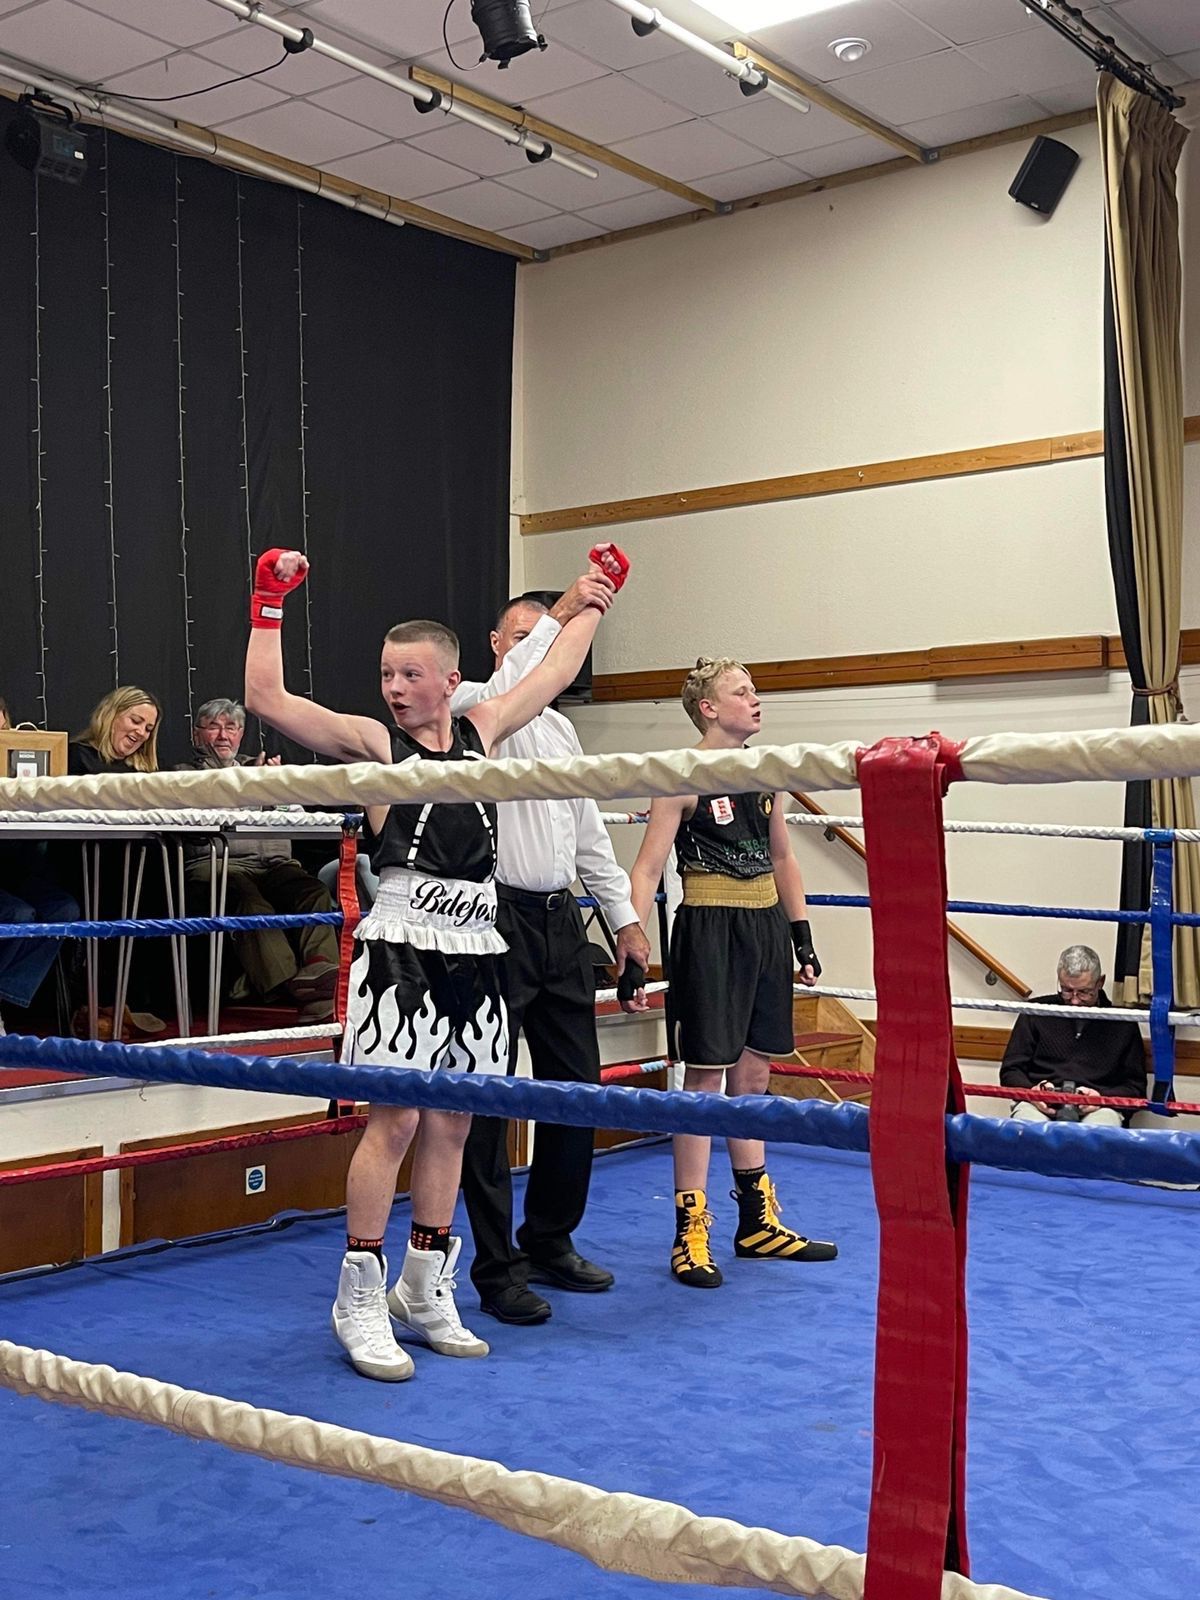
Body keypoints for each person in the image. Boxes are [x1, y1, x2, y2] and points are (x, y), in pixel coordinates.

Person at [244, 546, 621, 1381]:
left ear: (450, 681)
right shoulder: (378, 747)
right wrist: (267, 602)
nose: (393, 687)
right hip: (404, 950)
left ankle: (427, 1284)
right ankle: (359, 1293)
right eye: (385, 672)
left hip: (480, 947)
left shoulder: (485, 734)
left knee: (455, 1121)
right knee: (398, 1121)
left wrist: (595, 599)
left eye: (409, 674)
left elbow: (552, 672)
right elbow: (266, 699)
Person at [452, 584, 652, 1326]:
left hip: (559, 922)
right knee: (487, 1101)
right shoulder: (477, 702)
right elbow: (522, 683)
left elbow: (590, 839)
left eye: (554, 636)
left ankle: (549, 1239)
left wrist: (626, 924)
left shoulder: (563, 737)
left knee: (579, 1089)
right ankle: (494, 1266)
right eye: (528, 636)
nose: (547, 647)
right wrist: (566, 611)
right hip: (493, 918)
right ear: (497, 644)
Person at [628, 656, 837, 1289]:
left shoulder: (766, 773)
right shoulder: (681, 774)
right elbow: (645, 868)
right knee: (707, 1073)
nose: (755, 698)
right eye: (740, 691)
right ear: (709, 709)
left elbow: (782, 856)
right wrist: (634, 947)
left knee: (755, 1069)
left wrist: (800, 934)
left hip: (765, 924)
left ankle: (757, 1218)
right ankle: (691, 1227)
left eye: (755, 689)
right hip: (710, 926)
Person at [179, 698, 339, 1020]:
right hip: (220, 863)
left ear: (241, 734)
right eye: (214, 727)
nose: (223, 735)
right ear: (197, 736)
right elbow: (194, 822)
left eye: (232, 727)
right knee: (249, 902)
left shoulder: (263, 770)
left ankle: (323, 972)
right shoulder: (183, 775)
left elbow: (296, 816)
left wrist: (277, 788)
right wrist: (248, 787)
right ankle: (292, 986)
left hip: (276, 865)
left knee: (314, 892)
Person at [999, 944, 1145, 1125]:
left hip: (1099, 1106)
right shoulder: (1036, 1011)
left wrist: (1101, 1098)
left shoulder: (1122, 1021)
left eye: (1084, 992)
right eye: (1066, 990)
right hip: (1039, 1102)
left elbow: (1136, 1086)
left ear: (1100, 982)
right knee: (1028, 1130)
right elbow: (1010, 1071)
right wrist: (1033, 1092)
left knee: (1097, 1134)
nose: (1074, 1001)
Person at [69, 687, 161, 774]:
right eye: (135, 721)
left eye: (148, 729)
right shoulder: (76, 756)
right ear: (110, 715)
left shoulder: (144, 771)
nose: (141, 732)